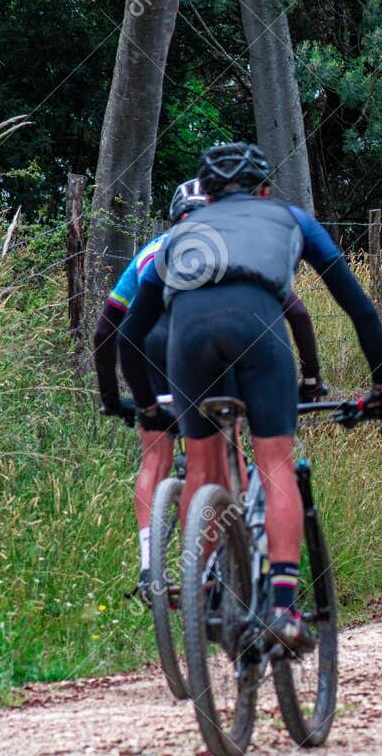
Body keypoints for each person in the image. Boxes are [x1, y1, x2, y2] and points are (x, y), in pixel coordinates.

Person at [119, 142, 382, 651]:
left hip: (188, 339)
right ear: (266, 189)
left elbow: (127, 334)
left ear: (205, 195)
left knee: (203, 470)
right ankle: (280, 607)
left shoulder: (179, 235)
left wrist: (144, 403)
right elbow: (359, 309)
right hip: (257, 327)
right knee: (274, 465)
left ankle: (203, 584)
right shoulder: (291, 218)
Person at [94, 179, 328, 598]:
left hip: (154, 344)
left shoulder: (154, 250)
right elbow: (296, 310)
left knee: (154, 457)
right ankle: (217, 562)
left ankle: (150, 567)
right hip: (218, 347)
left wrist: (111, 397)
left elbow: (107, 327)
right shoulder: (239, 249)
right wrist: (311, 378)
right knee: (229, 445)